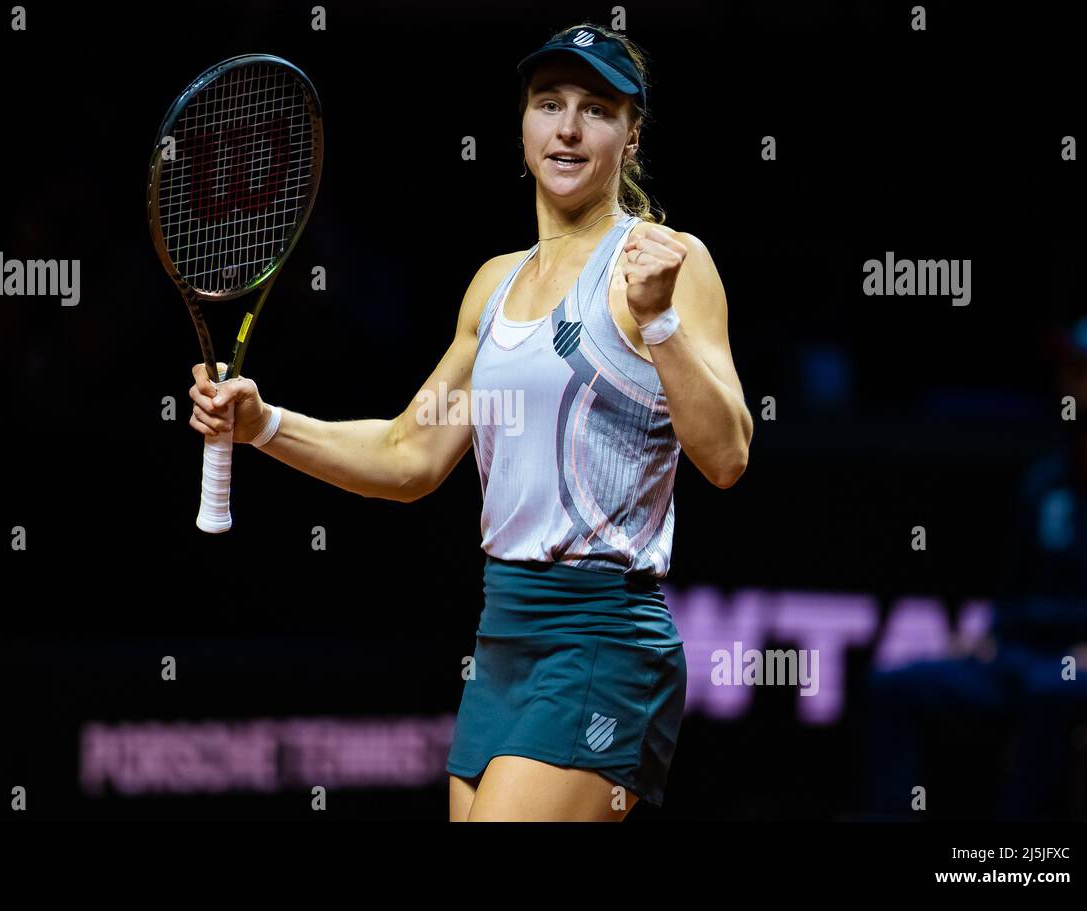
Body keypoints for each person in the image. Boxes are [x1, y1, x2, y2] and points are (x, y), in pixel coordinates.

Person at [187, 22, 751, 821]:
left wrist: (658, 324)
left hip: (601, 637)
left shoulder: (664, 262)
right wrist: (266, 424)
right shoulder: (492, 287)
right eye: (548, 103)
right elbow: (408, 453)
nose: (566, 127)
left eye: (595, 110)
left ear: (631, 137)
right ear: (521, 128)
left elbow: (727, 455)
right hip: (502, 638)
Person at [857, 314, 1087, 820]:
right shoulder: (1045, 483)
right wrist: (990, 637)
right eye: (1066, 369)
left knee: (1049, 693)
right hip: (1023, 657)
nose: (1070, 382)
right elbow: (1014, 589)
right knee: (894, 687)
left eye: (1085, 370)